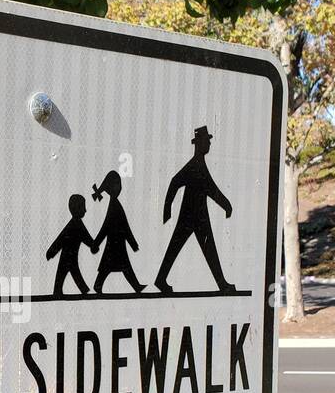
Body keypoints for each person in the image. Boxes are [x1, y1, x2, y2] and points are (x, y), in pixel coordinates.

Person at [154, 125, 234, 293]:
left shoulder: (200, 164)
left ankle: (222, 285)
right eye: (207, 141)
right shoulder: (195, 165)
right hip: (190, 216)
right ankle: (161, 279)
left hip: (199, 216)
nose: (209, 145)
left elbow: (210, 189)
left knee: (208, 249)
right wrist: (167, 209)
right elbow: (175, 182)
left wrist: (226, 205)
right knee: (176, 248)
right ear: (199, 143)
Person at [90, 170, 144, 293]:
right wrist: (133, 243)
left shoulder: (115, 205)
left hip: (116, 242)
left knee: (117, 266)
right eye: (117, 184)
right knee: (119, 266)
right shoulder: (115, 206)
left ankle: (136, 286)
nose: (119, 187)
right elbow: (110, 227)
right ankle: (136, 286)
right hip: (116, 243)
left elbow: (120, 227)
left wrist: (96, 243)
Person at [45, 194, 96, 295]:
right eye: (83, 207)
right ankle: (82, 291)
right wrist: (94, 245)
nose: (85, 210)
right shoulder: (77, 225)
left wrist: (51, 251)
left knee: (63, 275)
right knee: (69, 275)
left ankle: (61, 292)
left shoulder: (74, 224)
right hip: (69, 257)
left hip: (67, 257)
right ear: (77, 208)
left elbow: (60, 240)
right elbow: (61, 239)